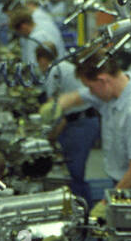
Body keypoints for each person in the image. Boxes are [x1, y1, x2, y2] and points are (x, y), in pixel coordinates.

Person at [42, 52, 131, 218]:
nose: (90, 92)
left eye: (91, 87)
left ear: (103, 80)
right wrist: (58, 105)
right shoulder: (120, 85)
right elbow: (79, 96)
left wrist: (106, 202)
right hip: (121, 179)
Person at [35, 42, 100, 209]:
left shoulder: (53, 71)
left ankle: (87, 214)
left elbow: (53, 110)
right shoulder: (62, 66)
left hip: (80, 124)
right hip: (82, 120)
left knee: (74, 174)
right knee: (73, 170)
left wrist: (49, 136)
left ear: (42, 60)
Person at [7, 2, 65, 75]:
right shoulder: (45, 24)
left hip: (49, 75)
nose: (21, 35)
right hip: (60, 66)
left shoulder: (34, 38)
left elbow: (32, 66)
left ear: (23, 27)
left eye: (19, 32)